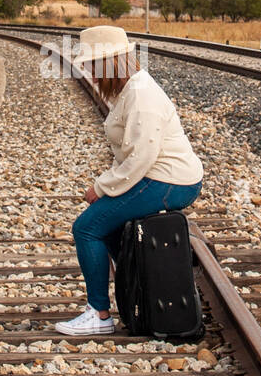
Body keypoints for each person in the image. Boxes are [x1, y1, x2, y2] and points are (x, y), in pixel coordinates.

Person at [55, 25, 205, 336]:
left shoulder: (140, 94)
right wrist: (108, 185)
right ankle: (140, 292)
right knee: (108, 227)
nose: (91, 73)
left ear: (111, 63)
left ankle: (98, 314)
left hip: (170, 179)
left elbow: (142, 156)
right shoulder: (130, 91)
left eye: (93, 65)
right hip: (157, 175)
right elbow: (128, 154)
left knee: (86, 228)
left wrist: (101, 188)